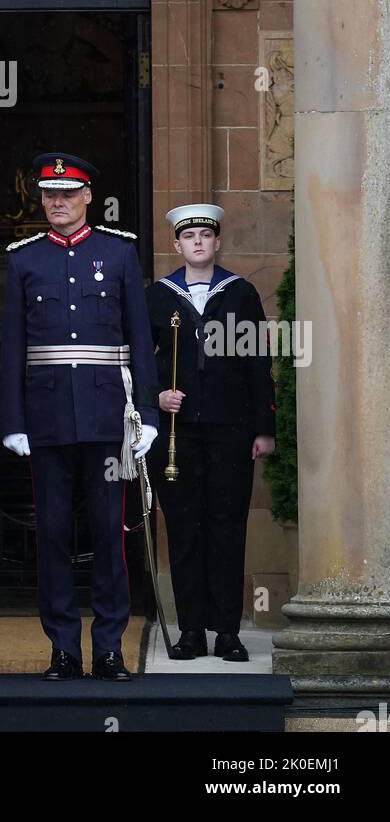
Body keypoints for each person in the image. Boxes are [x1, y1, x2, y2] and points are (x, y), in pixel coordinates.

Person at [0, 153, 159, 682]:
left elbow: (141, 339)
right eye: (49, 195)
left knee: (110, 536)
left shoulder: (118, 254)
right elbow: (13, 350)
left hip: (107, 416)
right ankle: (63, 649)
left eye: (67, 194)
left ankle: (109, 647)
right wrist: (13, 421)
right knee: (53, 536)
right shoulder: (24, 260)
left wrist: (151, 415)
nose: (58, 202)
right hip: (46, 419)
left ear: (88, 196)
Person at [145, 204, 276, 663]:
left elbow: (259, 363)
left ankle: (227, 633)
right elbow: (139, 362)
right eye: (189, 236)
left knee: (226, 527)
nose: (198, 242)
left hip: (231, 431)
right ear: (176, 245)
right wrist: (158, 396)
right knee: (183, 530)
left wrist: (264, 428)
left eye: (205, 234)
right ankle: (191, 632)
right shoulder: (158, 296)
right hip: (175, 434)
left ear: (218, 242)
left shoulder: (240, 293)